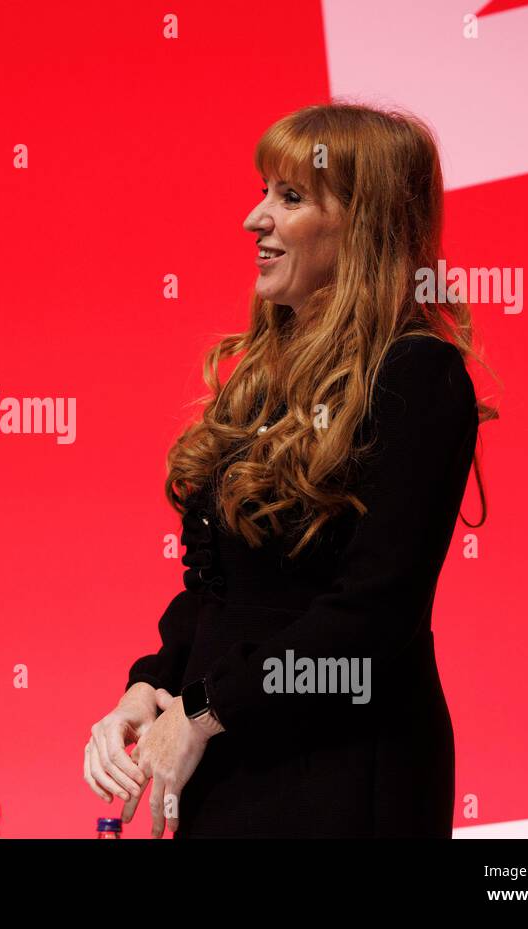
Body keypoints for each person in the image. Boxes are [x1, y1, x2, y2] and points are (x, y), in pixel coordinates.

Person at [83, 103, 498, 838]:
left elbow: (369, 620)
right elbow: (218, 588)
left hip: (338, 776)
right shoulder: (263, 380)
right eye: (262, 191)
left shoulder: (417, 375)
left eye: (291, 196)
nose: (255, 218)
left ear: (362, 224)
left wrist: (204, 710)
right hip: (231, 759)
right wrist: (149, 687)